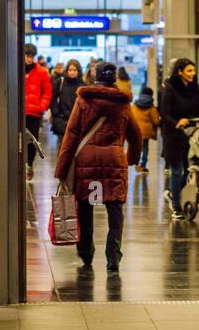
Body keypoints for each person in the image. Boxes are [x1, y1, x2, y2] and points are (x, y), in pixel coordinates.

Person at [54, 62, 143, 275]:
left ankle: (86, 252)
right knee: (114, 209)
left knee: (87, 206)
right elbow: (136, 135)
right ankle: (113, 257)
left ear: (96, 76)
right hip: (114, 161)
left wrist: (62, 168)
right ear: (114, 79)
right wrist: (131, 158)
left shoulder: (83, 100)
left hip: (88, 162)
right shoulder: (123, 104)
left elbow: (72, 135)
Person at [158, 58, 199, 220]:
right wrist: (177, 122)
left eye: (193, 70)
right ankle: (176, 206)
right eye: (189, 71)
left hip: (190, 133)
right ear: (180, 72)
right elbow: (165, 113)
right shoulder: (170, 89)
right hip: (173, 134)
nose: (192, 74)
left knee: (187, 171)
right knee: (177, 170)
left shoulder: (194, 88)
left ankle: (171, 192)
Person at [23, 42, 53, 180]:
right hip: (18, 113)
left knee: (32, 141)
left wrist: (42, 107)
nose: (29, 59)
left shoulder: (42, 72)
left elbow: (47, 92)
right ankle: (20, 164)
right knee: (17, 140)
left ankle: (29, 164)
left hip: (34, 113)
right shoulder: (15, 69)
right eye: (27, 56)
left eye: (31, 56)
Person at [50, 59, 82, 144]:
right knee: (62, 149)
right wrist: (55, 113)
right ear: (67, 70)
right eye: (70, 70)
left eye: (74, 70)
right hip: (62, 120)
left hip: (77, 122)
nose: (72, 72)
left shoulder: (83, 85)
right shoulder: (60, 82)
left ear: (78, 71)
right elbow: (52, 98)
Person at [130, 85, 160, 173]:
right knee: (145, 148)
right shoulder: (151, 107)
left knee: (137, 147)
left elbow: (130, 116)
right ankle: (143, 165)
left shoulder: (135, 105)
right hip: (146, 131)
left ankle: (136, 162)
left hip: (136, 130)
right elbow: (156, 121)